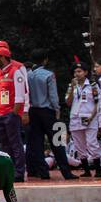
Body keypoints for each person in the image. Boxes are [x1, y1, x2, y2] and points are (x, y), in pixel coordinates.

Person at [0, 42, 29, 182]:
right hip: (0, 113)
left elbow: (20, 96)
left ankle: (19, 172)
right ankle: (9, 170)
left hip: (10, 114)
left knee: (15, 143)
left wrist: (15, 113)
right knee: (5, 145)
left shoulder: (16, 71)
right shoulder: (0, 73)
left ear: (2, 57)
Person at [26, 51, 76, 180]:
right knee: (57, 141)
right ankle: (66, 172)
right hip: (48, 111)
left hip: (33, 111)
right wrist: (57, 109)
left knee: (37, 143)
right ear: (45, 60)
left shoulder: (28, 75)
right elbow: (53, 96)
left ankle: (43, 173)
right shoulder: (49, 75)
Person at [66, 62, 99, 177]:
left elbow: (97, 103)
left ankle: (98, 171)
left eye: (79, 71)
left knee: (92, 143)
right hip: (75, 118)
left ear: (86, 72)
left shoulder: (92, 85)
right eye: (75, 72)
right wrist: (72, 88)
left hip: (89, 118)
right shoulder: (71, 86)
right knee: (79, 145)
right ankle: (87, 171)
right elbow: (68, 103)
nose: (77, 74)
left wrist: (92, 116)